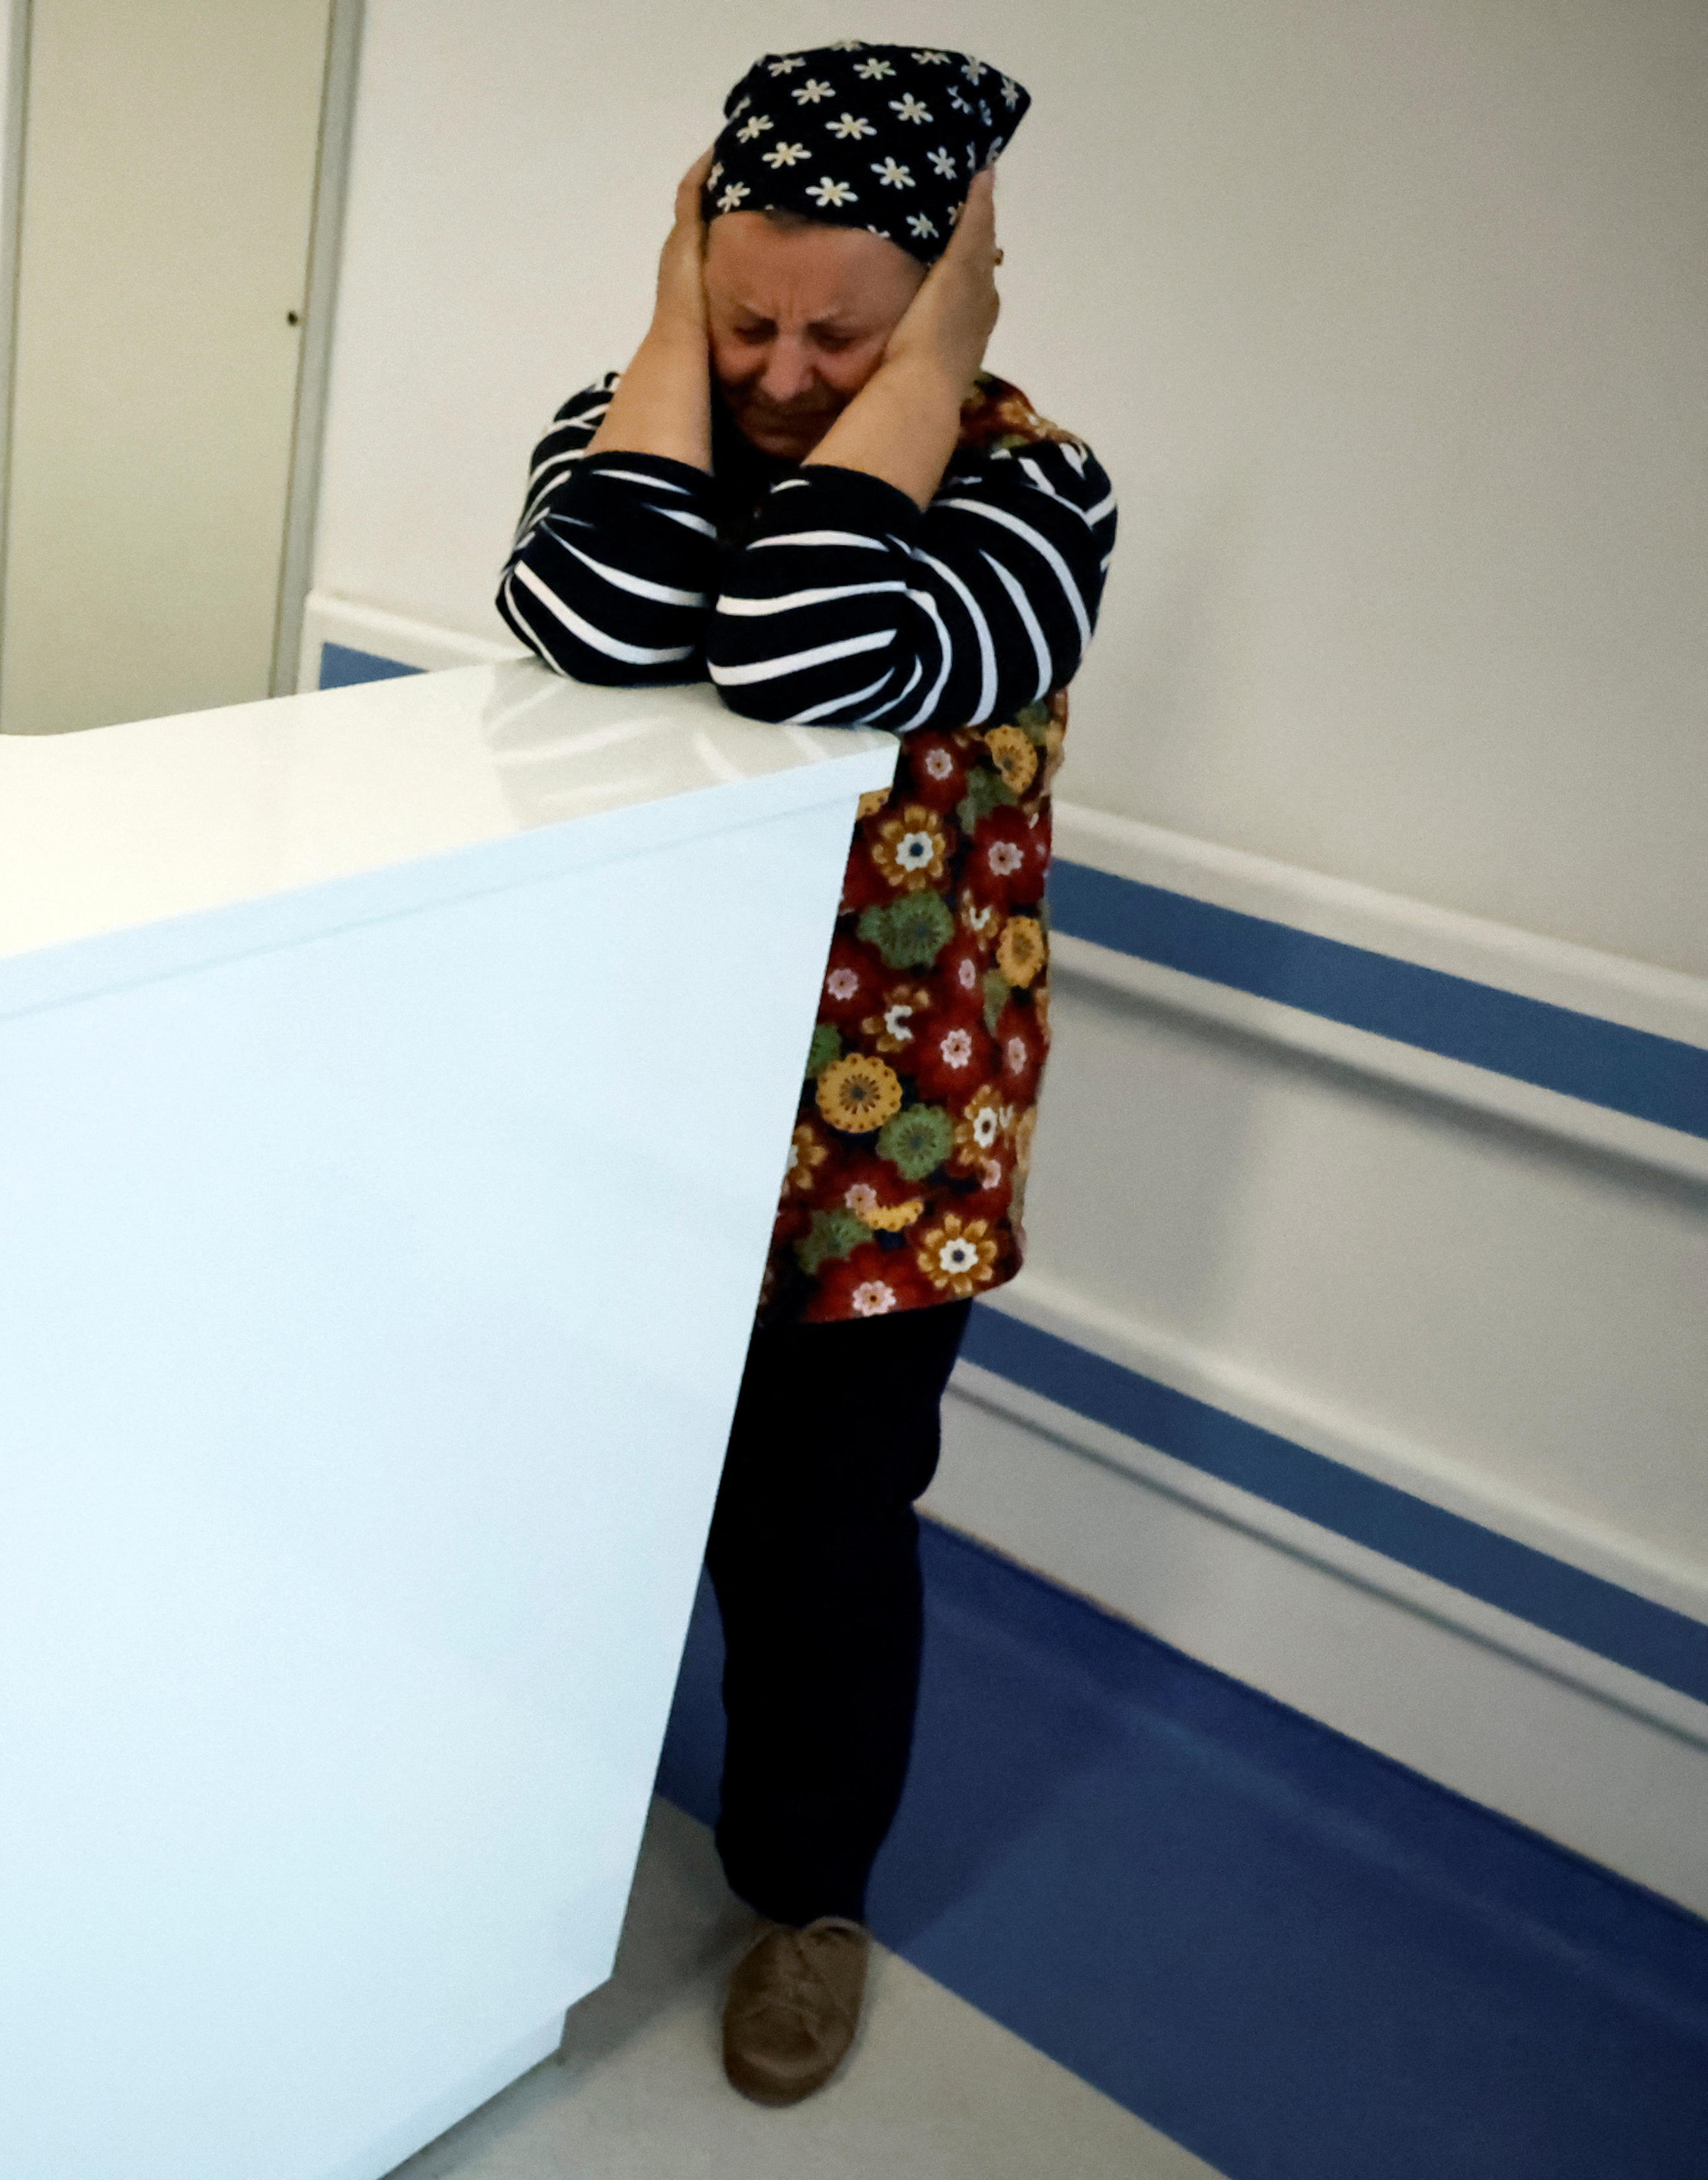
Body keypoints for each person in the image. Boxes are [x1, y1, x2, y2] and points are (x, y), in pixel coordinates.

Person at [497, 41, 1116, 2107]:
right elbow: (590, 620)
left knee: (821, 1545)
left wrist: (935, 371)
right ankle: (498, 1860)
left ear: (948, 298)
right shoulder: (620, 440)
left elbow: (807, 651)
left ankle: (805, 1898)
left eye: (838, 332)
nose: (775, 373)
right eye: (740, 316)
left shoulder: (1038, 491)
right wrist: (666, 336)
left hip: (886, 1145)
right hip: (625, 1099)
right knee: (559, 1496)